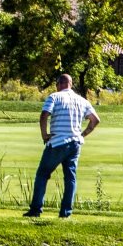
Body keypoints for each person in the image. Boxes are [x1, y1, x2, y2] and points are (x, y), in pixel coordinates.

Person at [25, 73, 99, 219]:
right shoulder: (82, 100)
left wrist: (44, 135)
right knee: (70, 178)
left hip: (57, 142)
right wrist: (83, 134)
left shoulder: (55, 97)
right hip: (75, 144)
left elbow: (44, 115)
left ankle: (36, 210)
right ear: (71, 84)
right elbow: (95, 120)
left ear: (58, 84)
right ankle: (66, 213)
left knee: (42, 174)